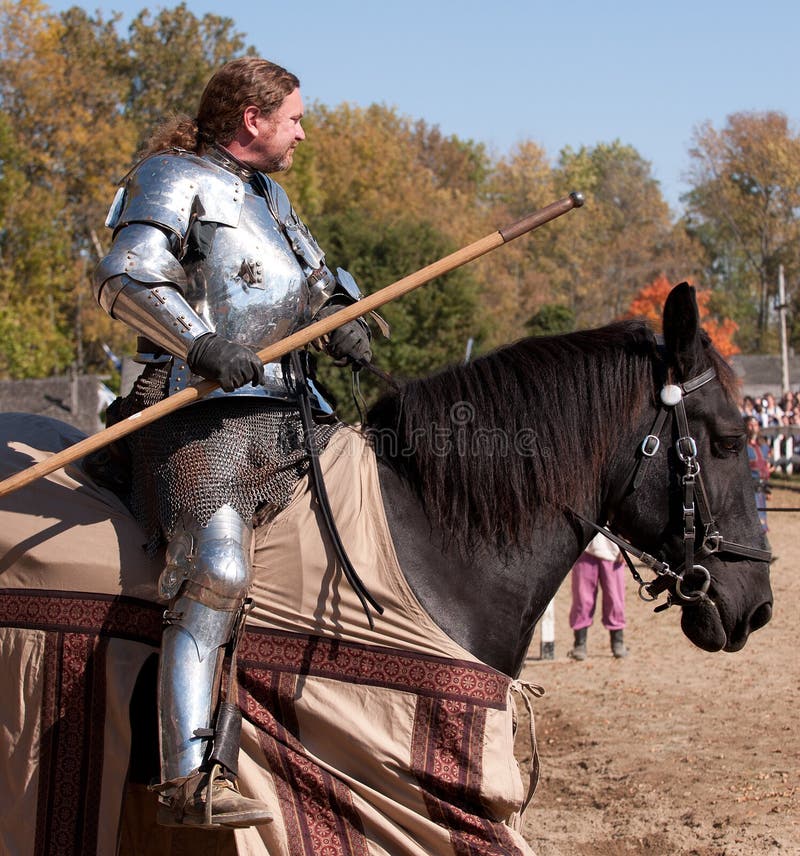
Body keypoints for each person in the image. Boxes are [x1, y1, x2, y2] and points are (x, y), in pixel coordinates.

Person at [91, 58, 374, 829]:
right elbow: (124, 275)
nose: (303, 132)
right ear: (252, 118)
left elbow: (313, 283)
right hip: (193, 410)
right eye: (294, 118)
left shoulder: (270, 197)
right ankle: (186, 778)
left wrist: (344, 324)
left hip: (290, 408)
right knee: (216, 568)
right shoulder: (170, 176)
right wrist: (199, 344)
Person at [568, 532, 628, 660]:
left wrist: (625, 546)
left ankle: (617, 641)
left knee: (615, 599)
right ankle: (580, 643)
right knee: (582, 599)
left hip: (614, 551)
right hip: (585, 550)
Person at [746, 415, 774, 532]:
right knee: (752, 525)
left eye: (756, 425)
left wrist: (767, 489)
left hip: (761, 489)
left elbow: (766, 468)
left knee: (762, 525)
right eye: (751, 425)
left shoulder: (763, 446)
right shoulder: (743, 447)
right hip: (749, 489)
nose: (753, 427)